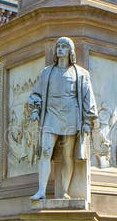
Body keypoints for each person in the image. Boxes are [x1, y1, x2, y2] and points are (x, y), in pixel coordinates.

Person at [28, 37, 97, 200]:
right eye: (58, 46)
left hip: (71, 116)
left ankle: (64, 190)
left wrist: (87, 121)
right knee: (45, 151)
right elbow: (35, 93)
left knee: (67, 155)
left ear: (70, 51)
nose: (60, 49)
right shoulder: (46, 72)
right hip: (50, 115)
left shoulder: (81, 74)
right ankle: (41, 191)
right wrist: (35, 109)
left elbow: (88, 97)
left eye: (64, 46)